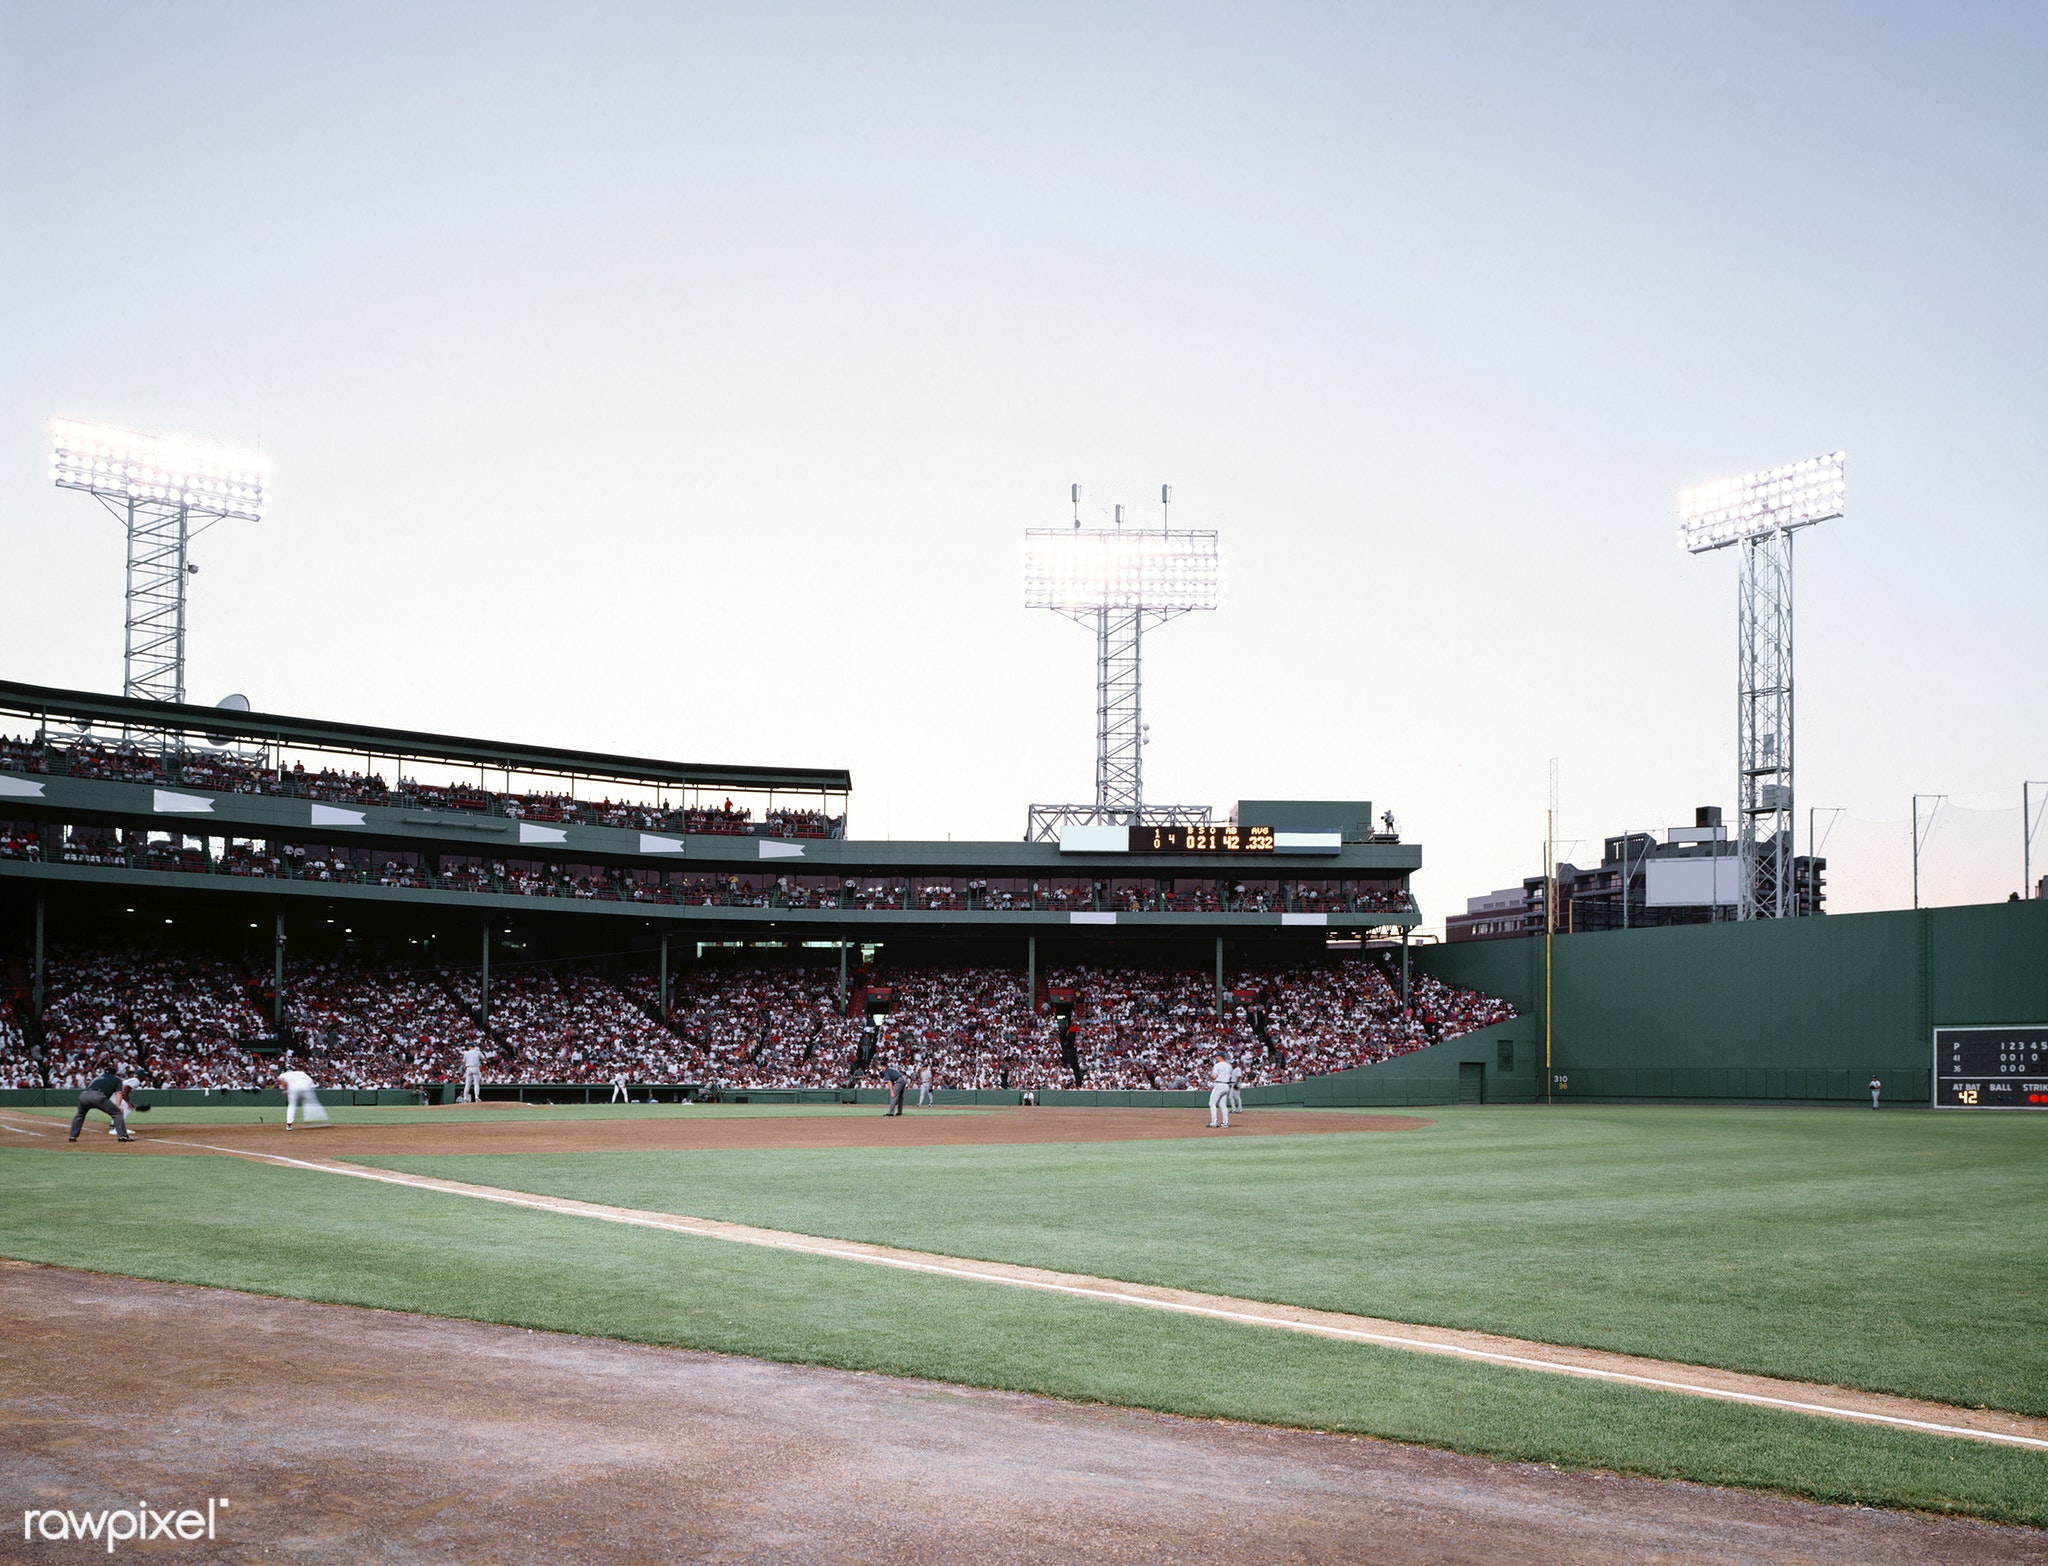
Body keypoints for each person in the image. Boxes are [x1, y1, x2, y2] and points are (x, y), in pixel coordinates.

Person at [69, 1068, 135, 1143]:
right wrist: (118, 1105)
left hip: (84, 1096)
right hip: (98, 1096)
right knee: (117, 1113)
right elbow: (118, 1093)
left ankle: (72, 1136)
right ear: (115, 1073)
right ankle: (123, 1136)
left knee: (80, 1114)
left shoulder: (97, 1078)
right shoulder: (117, 1079)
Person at [1207, 1055, 1232, 1129]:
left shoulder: (1217, 1065)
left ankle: (1214, 1122)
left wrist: (1210, 1077)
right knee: (1223, 1105)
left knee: (1212, 1103)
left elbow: (1214, 1076)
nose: (1215, 1057)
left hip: (1219, 1085)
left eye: (1217, 1056)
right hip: (1226, 1085)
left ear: (1221, 1057)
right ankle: (1225, 1122)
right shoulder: (1229, 1066)